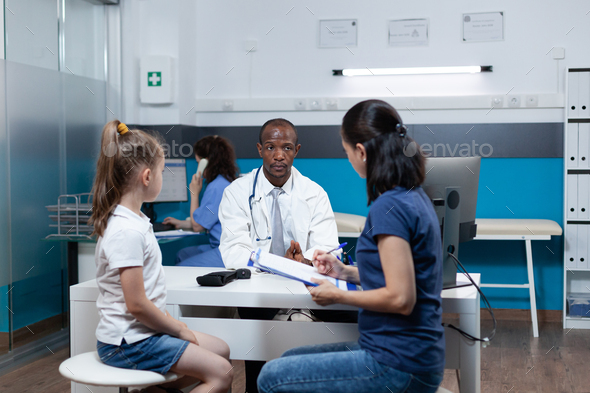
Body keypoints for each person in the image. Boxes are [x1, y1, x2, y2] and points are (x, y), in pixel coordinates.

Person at [257, 100, 445, 393]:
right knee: (289, 358)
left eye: (347, 153)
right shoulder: (413, 195)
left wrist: (337, 296)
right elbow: (400, 274)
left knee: (271, 378)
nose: (348, 160)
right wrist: (344, 272)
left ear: (361, 151)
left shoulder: (389, 207)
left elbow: (401, 298)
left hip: (396, 363)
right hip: (411, 354)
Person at [90, 121, 233, 393]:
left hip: (142, 333)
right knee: (222, 374)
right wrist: (177, 329)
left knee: (222, 350)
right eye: (161, 172)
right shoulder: (126, 230)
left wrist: (171, 324)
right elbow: (137, 305)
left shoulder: (136, 220)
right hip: (128, 343)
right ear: (147, 177)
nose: (161, 177)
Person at [218, 118, 341, 393]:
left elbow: (327, 245)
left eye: (286, 148)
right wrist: (275, 264)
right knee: (258, 337)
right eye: (271, 147)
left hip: (304, 288)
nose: (278, 155)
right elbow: (234, 250)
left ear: (296, 150)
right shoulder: (237, 192)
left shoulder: (314, 193)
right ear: (260, 149)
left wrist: (304, 261)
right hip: (257, 289)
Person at [163, 135, 239, 267]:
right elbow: (205, 222)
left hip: (227, 251)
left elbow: (198, 226)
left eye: (199, 163)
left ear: (207, 162)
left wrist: (194, 193)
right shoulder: (224, 181)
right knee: (182, 254)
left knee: (181, 268)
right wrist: (180, 224)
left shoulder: (216, 187)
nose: (198, 167)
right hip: (223, 246)